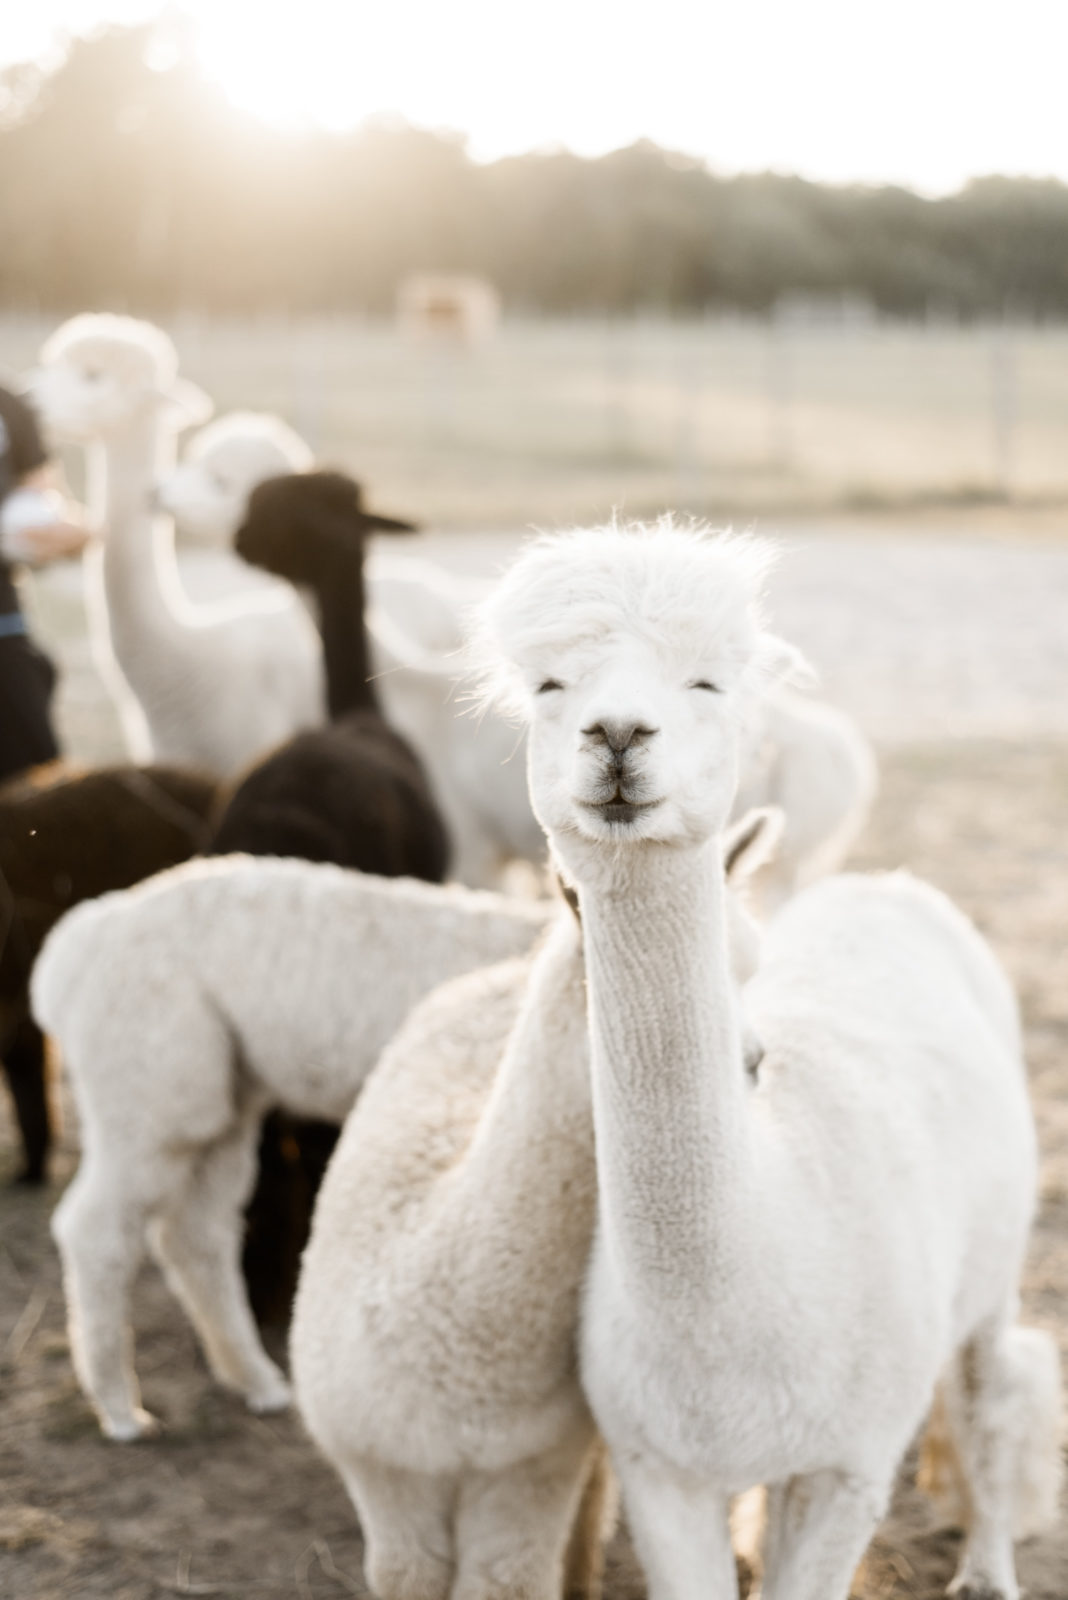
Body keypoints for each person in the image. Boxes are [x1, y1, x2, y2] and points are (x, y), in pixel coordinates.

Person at [0, 382, 88, 783]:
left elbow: (44, 505)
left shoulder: (10, 404)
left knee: (35, 796)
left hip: (5, 636)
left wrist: (67, 536)